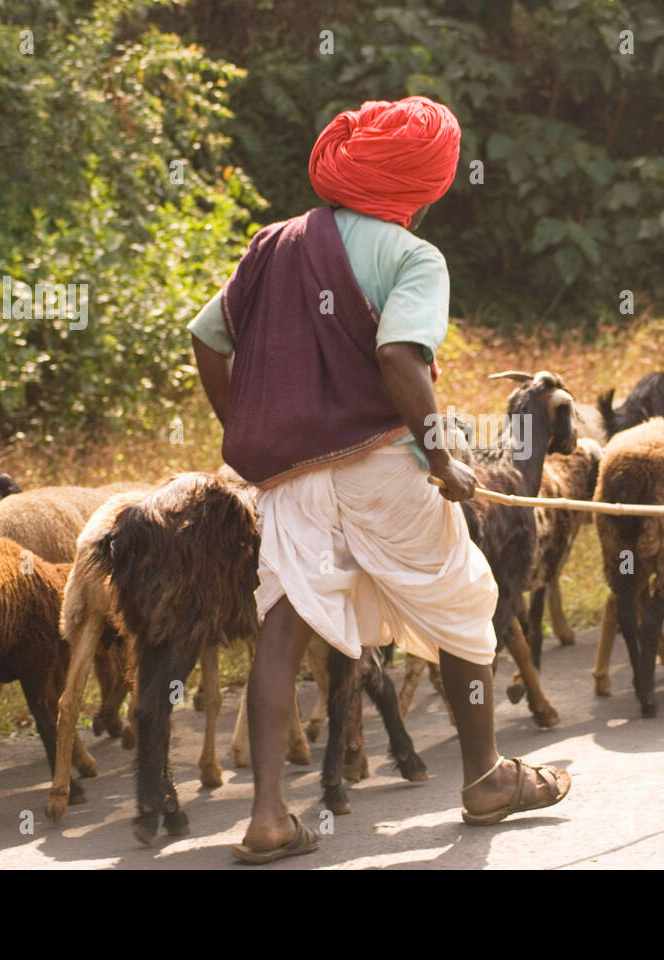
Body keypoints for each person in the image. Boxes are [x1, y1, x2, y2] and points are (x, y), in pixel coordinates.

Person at [188, 96, 571, 864]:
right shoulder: (412, 257)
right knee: (466, 599)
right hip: (384, 466)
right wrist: (443, 459)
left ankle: (267, 817)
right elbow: (399, 357)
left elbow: (206, 337)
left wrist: (245, 434)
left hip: (292, 479)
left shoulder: (272, 243)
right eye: (435, 184)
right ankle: (487, 778)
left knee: (283, 623)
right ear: (416, 188)